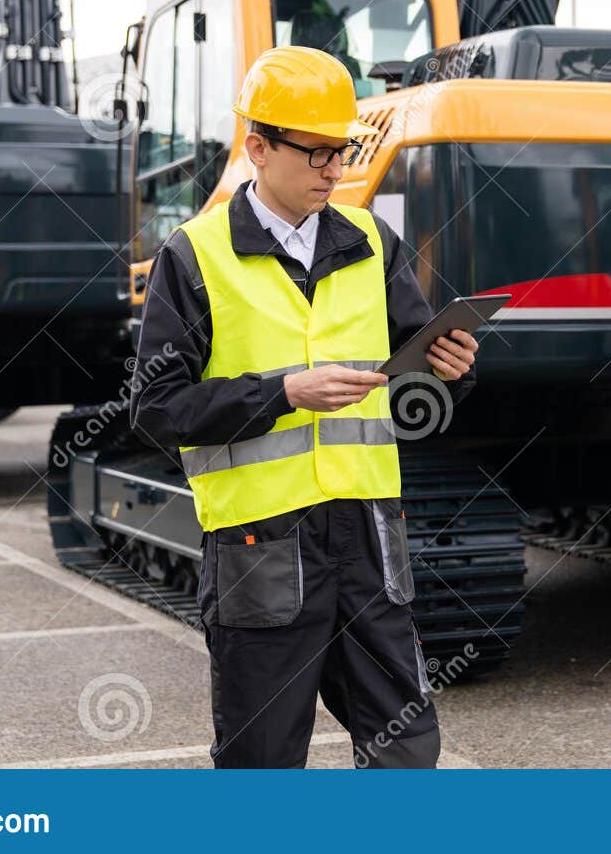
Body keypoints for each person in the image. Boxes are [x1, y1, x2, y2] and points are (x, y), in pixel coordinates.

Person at [130, 45, 479, 768]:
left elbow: (413, 379)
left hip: (367, 536)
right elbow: (157, 410)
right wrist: (284, 394)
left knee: (408, 751)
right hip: (260, 545)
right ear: (258, 147)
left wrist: (451, 369)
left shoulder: (370, 242)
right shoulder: (195, 256)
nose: (335, 169)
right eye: (317, 153)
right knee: (263, 760)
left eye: (343, 151)